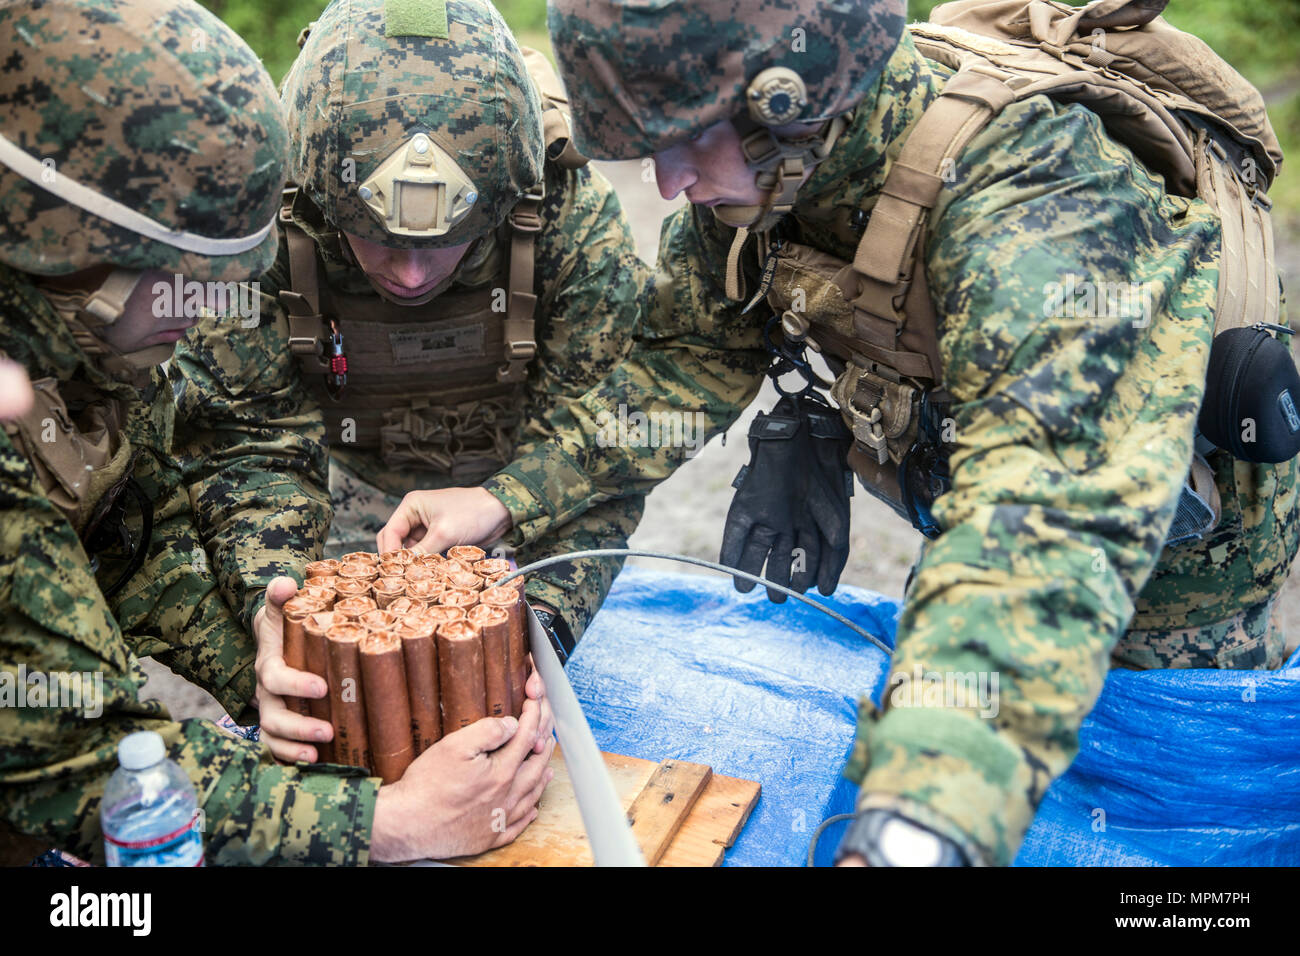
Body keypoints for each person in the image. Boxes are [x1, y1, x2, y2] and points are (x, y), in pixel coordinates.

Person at [519, 0, 1296, 866]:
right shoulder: (773, 177)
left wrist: (923, 816)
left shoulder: (1036, 191)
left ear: (793, 99)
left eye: (683, 140)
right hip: (977, 546)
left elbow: (1039, 519)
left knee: (1158, 844)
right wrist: (503, 499)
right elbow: (676, 363)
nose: (667, 184)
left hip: (1173, 593)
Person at [0, 0, 550, 866]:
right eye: (183, 277)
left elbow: (132, 519)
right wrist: (378, 825)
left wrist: (271, 647)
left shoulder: (75, 333)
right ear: (72, 248)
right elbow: (60, 754)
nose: (201, 307)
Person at [170, 0, 649, 745]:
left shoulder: (562, 210)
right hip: (340, 474)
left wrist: (541, 627)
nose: (412, 272)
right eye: (376, 239)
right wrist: (285, 610)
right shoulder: (260, 217)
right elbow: (247, 441)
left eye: (450, 242)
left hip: (526, 474)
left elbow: (602, 439)